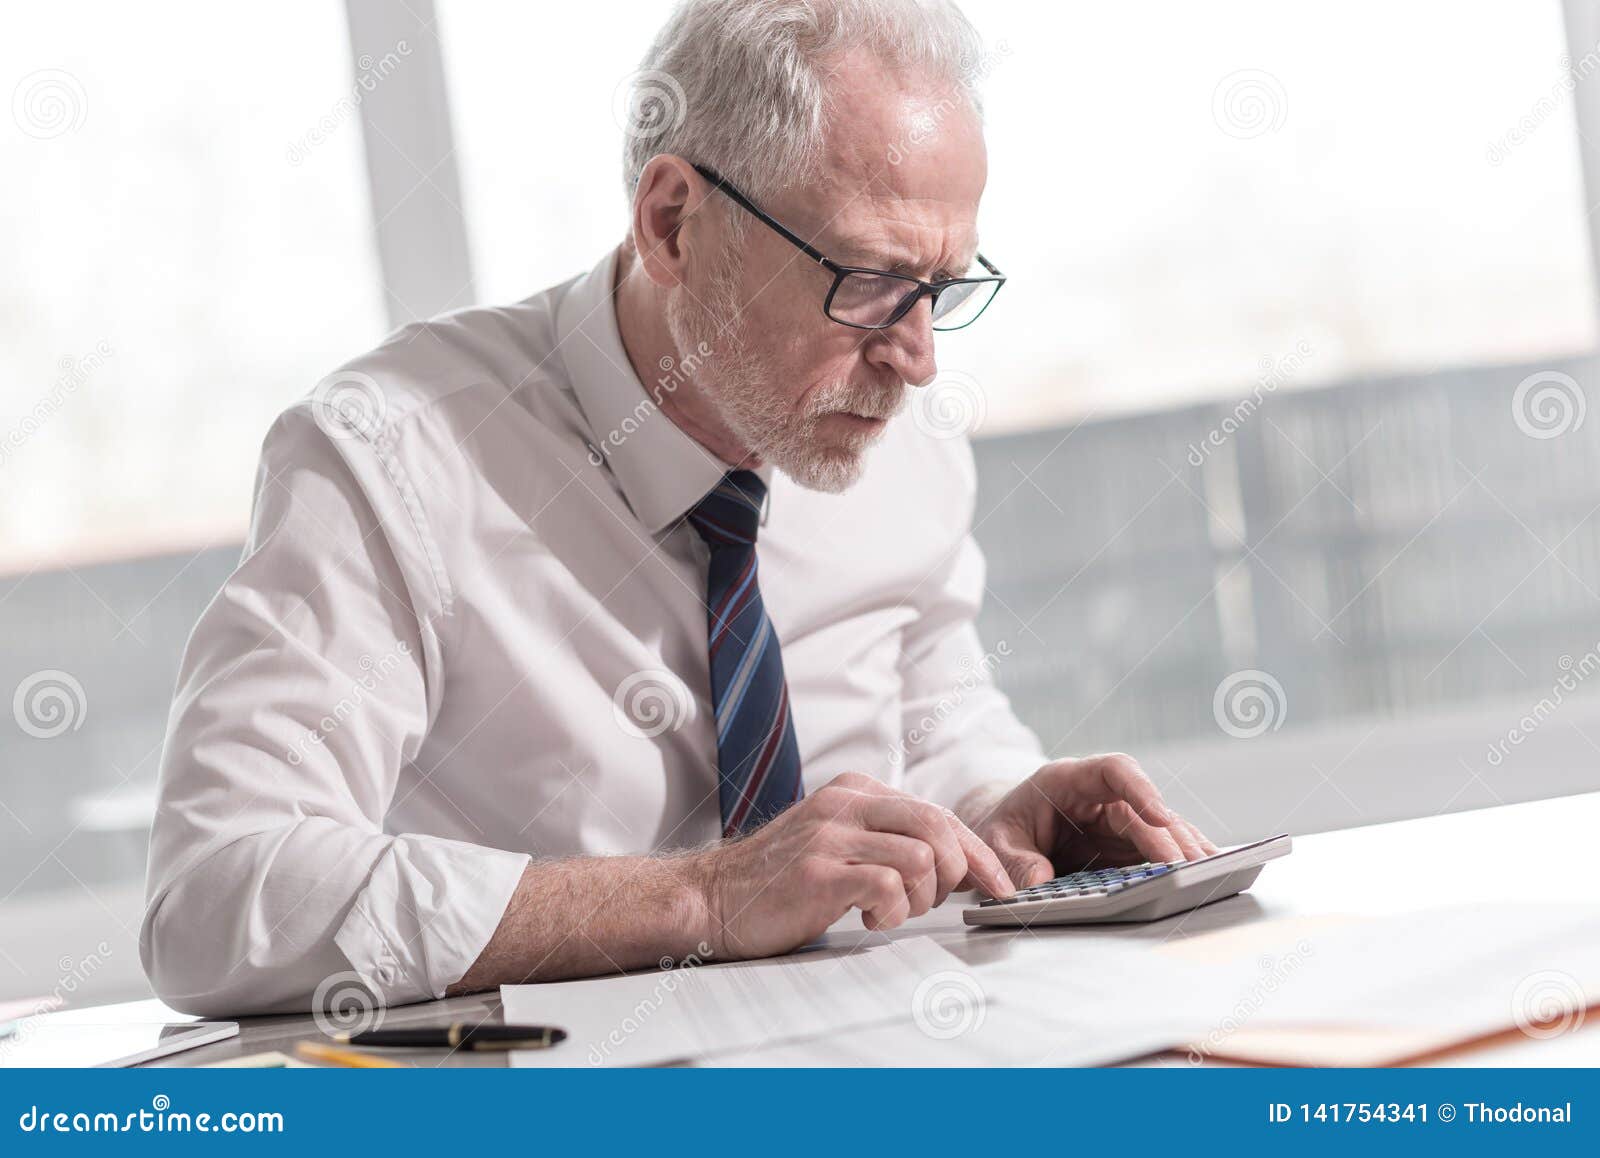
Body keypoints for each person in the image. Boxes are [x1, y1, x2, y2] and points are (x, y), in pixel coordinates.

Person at [141, 0, 1215, 1016]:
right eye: (870, 279)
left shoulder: (899, 435)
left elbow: (934, 717)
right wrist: (700, 901)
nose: (919, 359)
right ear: (672, 224)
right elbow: (220, 894)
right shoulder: (392, 452)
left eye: (941, 287)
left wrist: (998, 802)